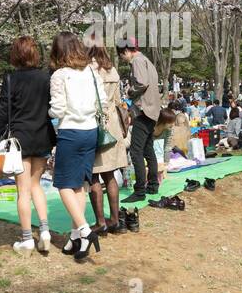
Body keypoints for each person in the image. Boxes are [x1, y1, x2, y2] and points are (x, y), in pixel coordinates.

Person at [0, 36, 56, 252]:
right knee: (36, 184)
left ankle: (27, 238)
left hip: (19, 139)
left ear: (15, 55)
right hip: (43, 136)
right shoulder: (46, 78)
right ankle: (45, 231)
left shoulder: (10, 79)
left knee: (23, 190)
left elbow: (2, 113)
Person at [48, 32, 102, 262]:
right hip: (91, 131)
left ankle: (85, 231)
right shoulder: (91, 70)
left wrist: (49, 113)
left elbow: (58, 109)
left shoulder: (60, 75)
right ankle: (75, 237)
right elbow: (103, 102)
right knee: (79, 185)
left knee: (62, 184)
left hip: (70, 132)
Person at [88, 45, 130, 237]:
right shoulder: (113, 70)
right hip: (112, 123)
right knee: (110, 175)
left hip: (95, 124)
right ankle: (114, 219)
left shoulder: (88, 69)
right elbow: (118, 99)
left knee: (94, 174)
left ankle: (100, 222)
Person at [117, 37, 161, 203]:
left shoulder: (137, 61)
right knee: (148, 149)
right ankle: (153, 185)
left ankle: (140, 190)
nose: (123, 58)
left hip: (144, 111)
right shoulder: (147, 61)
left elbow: (141, 83)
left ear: (127, 51)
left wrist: (129, 92)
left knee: (136, 152)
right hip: (153, 111)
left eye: (122, 55)